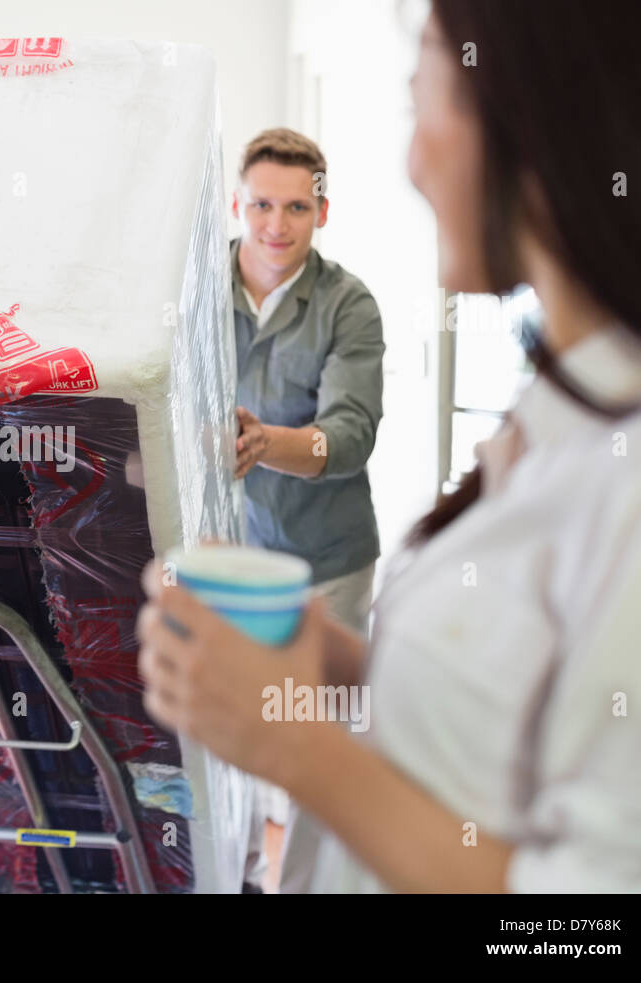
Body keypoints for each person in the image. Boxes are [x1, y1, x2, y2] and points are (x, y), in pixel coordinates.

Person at [139, 0, 641, 892]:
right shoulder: (561, 412)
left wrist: (296, 749)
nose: (415, 162)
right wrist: (341, 664)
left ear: (542, 119)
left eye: (427, 96)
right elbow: (493, 725)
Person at [228, 128, 386, 892]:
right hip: (232, 563)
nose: (276, 225)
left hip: (330, 565)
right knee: (237, 743)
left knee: (318, 753)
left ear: (323, 211)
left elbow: (349, 437)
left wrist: (265, 444)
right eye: (262, 204)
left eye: (297, 206)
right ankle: (250, 880)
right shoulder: (193, 288)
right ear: (238, 202)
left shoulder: (348, 304)